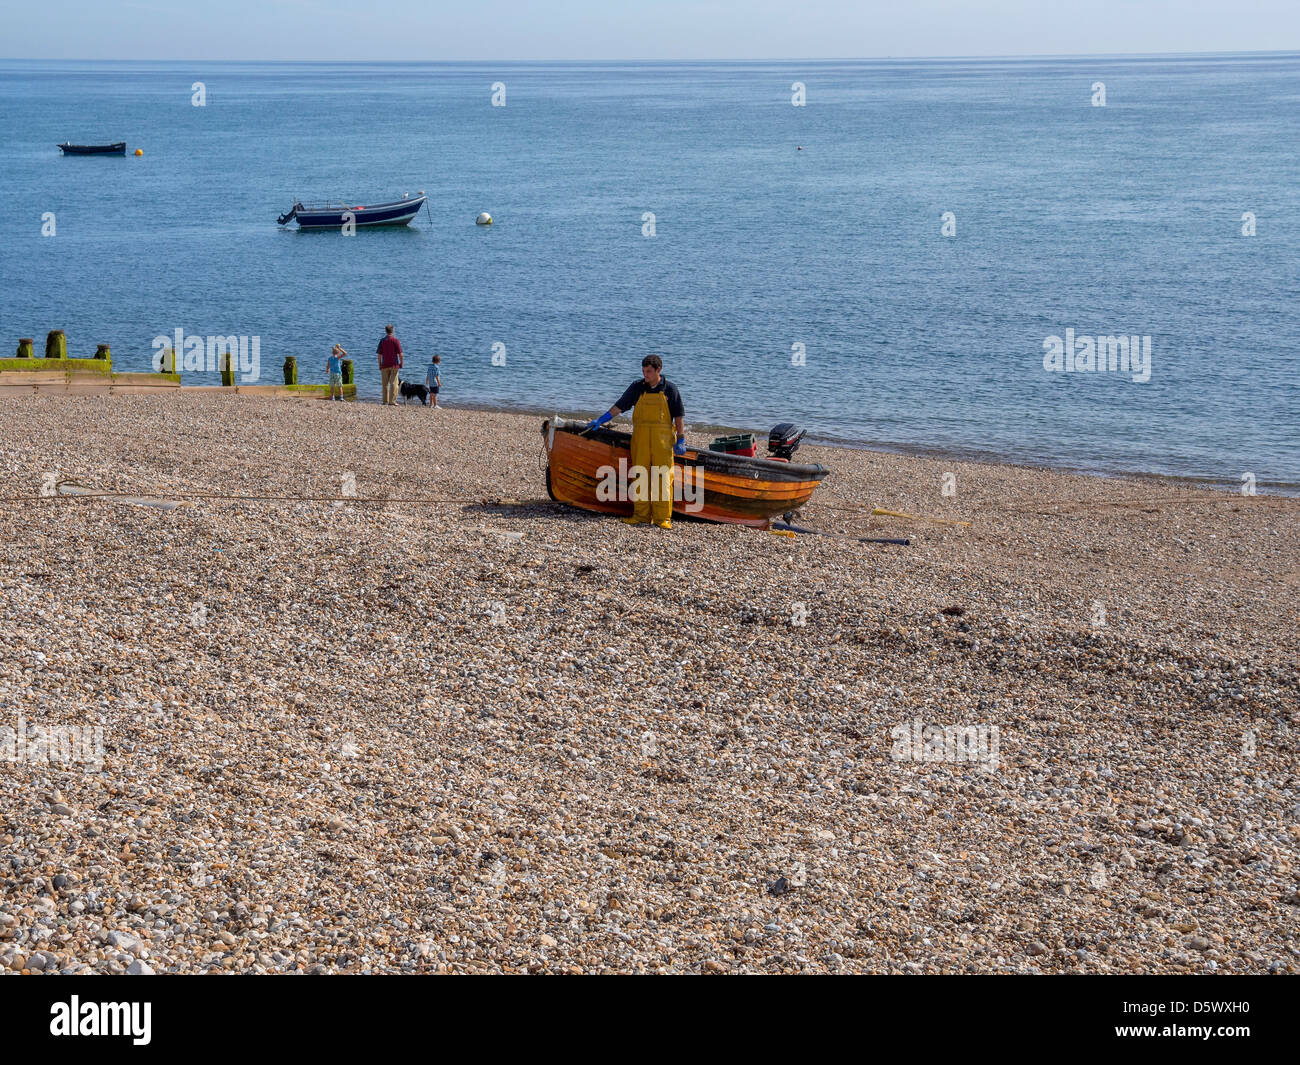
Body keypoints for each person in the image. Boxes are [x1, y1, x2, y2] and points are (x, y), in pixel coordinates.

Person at [585, 354, 686, 529]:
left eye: (648, 372)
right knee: (640, 475)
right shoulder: (637, 387)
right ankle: (641, 516)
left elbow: (678, 416)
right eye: (643, 371)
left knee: (662, 477)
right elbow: (619, 406)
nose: (645, 375)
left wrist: (681, 439)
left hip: (662, 441)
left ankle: (663, 519)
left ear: (658, 370)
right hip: (640, 439)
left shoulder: (670, 389)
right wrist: (601, 420)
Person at [377, 324, 403, 405]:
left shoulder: (382, 341)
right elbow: (400, 354)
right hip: (394, 365)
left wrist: (380, 364)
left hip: (384, 365)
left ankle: (385, 401)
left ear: (386, 331)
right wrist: (401, 363)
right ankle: (392, 401)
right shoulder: (395, 340)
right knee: (394, 383)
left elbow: (379, 355)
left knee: (385, 384)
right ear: (393, 331)